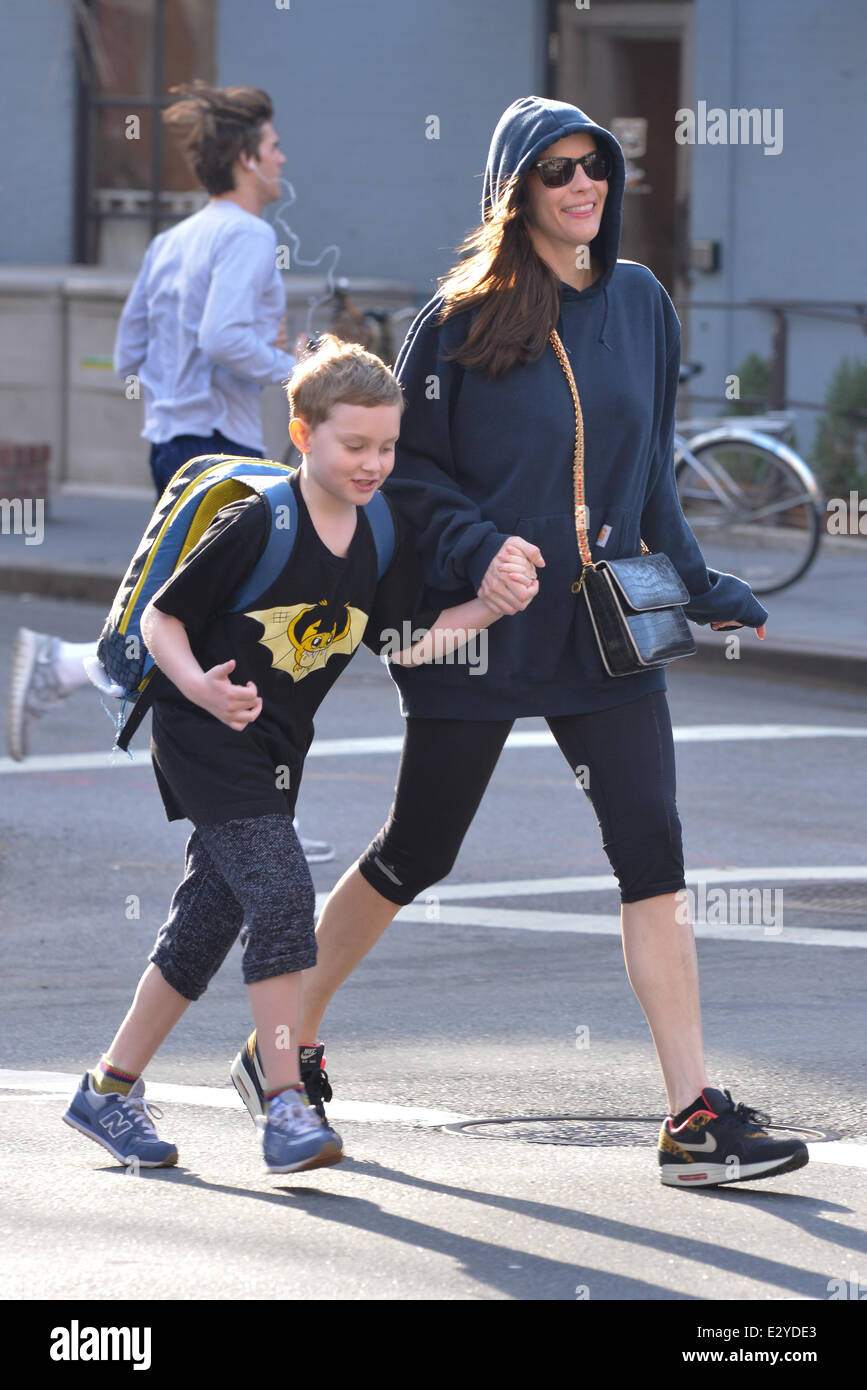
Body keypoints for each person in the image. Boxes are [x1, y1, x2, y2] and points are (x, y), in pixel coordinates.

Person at [230, 95, 810, 1189]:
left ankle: (691, 1119)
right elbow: (406, 470)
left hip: (605, 628)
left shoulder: (640, 301)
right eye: (557, 170)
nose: (583, 184)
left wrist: (702, 585)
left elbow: (649, 472)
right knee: (418, 849)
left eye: (596, 165)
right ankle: (280, 1049)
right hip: (482, 625)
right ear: (515, 191)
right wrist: (479, 547)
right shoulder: (457, 321)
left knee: (653, 855)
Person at [61, 335, 533, 1172]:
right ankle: (284, 1104)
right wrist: (202, 688)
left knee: (208, 919)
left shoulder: (381, 531)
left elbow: (405, 642)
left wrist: (491, 606)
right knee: (281, 895)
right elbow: (162, 620)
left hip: (276, 747)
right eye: (354, 445)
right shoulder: (259, 521)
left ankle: (107, 1090)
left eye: (386, 446)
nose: (373, 464)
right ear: (303, 434)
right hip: (202, 733)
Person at [7, 83, 332, 857]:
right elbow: (222, 337)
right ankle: (256, 817)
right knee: (243, 631)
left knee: (209, 627)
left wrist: (186, 377)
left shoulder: (172, 239)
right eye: (274, 146)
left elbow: (128, 350)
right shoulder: (247, 236)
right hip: (222, 454)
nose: (284, 158)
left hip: (173, 445)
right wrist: (298, 368)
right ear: (247, 158)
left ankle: (69, 671)